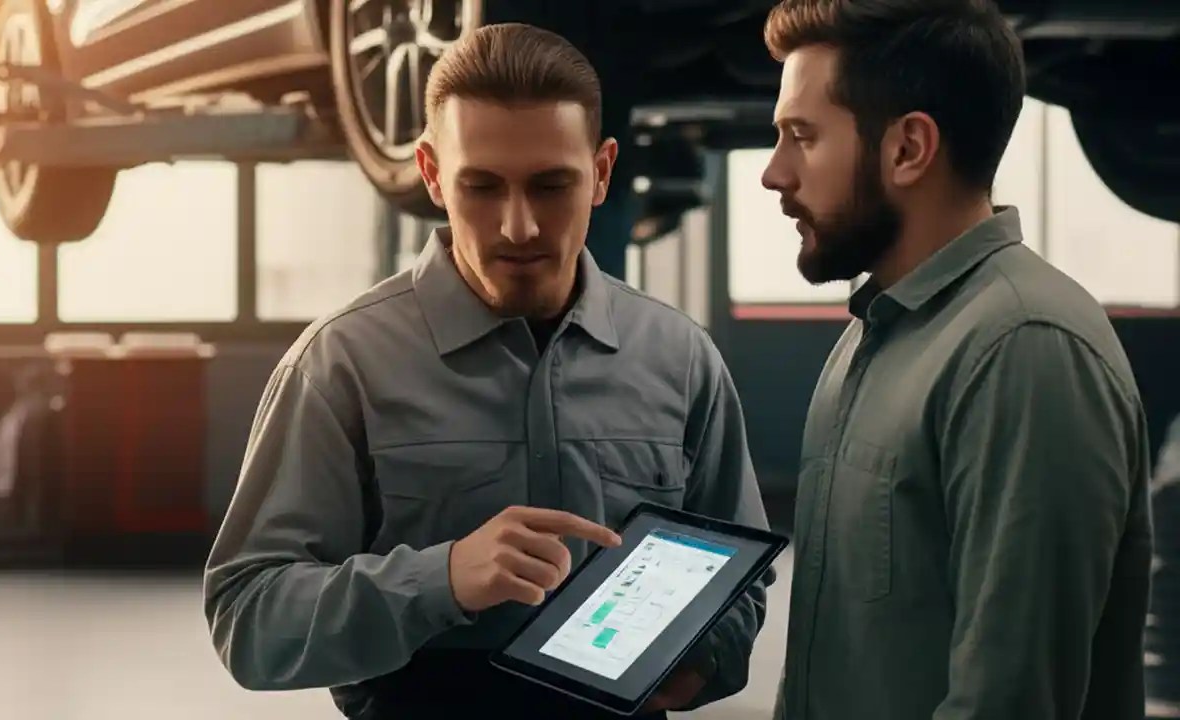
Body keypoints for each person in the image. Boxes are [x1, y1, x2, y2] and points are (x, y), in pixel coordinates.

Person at [203, 22, 772, 720]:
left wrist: (702, 665)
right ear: (434, 174)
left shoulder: (682, 359)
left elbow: (740, 585)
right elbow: (249, 619)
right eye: (482, 186)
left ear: (601, 173)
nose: (519, 228)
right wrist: (441, 578)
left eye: (550, 185)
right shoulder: (340, 364)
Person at [758, 1, 1154, 718]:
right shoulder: (871, 334)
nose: (774, 173)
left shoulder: (1025, 349)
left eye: (801, 137)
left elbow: (1009, 700)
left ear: (908, 148)